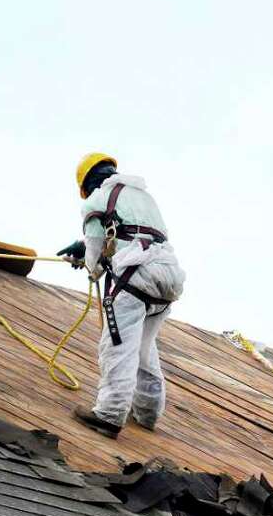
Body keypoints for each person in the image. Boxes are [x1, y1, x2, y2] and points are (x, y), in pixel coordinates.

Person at [57, 153, 186, 438]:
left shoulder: (95, 201)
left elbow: (95, 256)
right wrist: (88, 249)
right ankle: (148, 413)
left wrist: (88, 262)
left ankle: (109, 414)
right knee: (143, 348)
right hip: (168, 276)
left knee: (117, 346)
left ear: (88, 184)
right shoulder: (143, 196)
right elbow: (134, 234)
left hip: (136, 277)